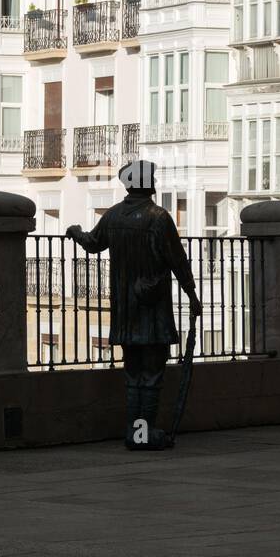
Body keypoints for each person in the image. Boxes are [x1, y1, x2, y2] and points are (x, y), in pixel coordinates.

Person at [66, 160, 201, 451]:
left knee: (132, 374)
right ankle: (145, 433)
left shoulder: (113, 216)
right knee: (152, 375)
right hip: (152, 311)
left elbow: (92, 242)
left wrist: (76, 231)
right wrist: (192, 296)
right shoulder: (159, 218)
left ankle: (134, 431)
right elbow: (178, 261)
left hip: (126, 312)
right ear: (147, 183)